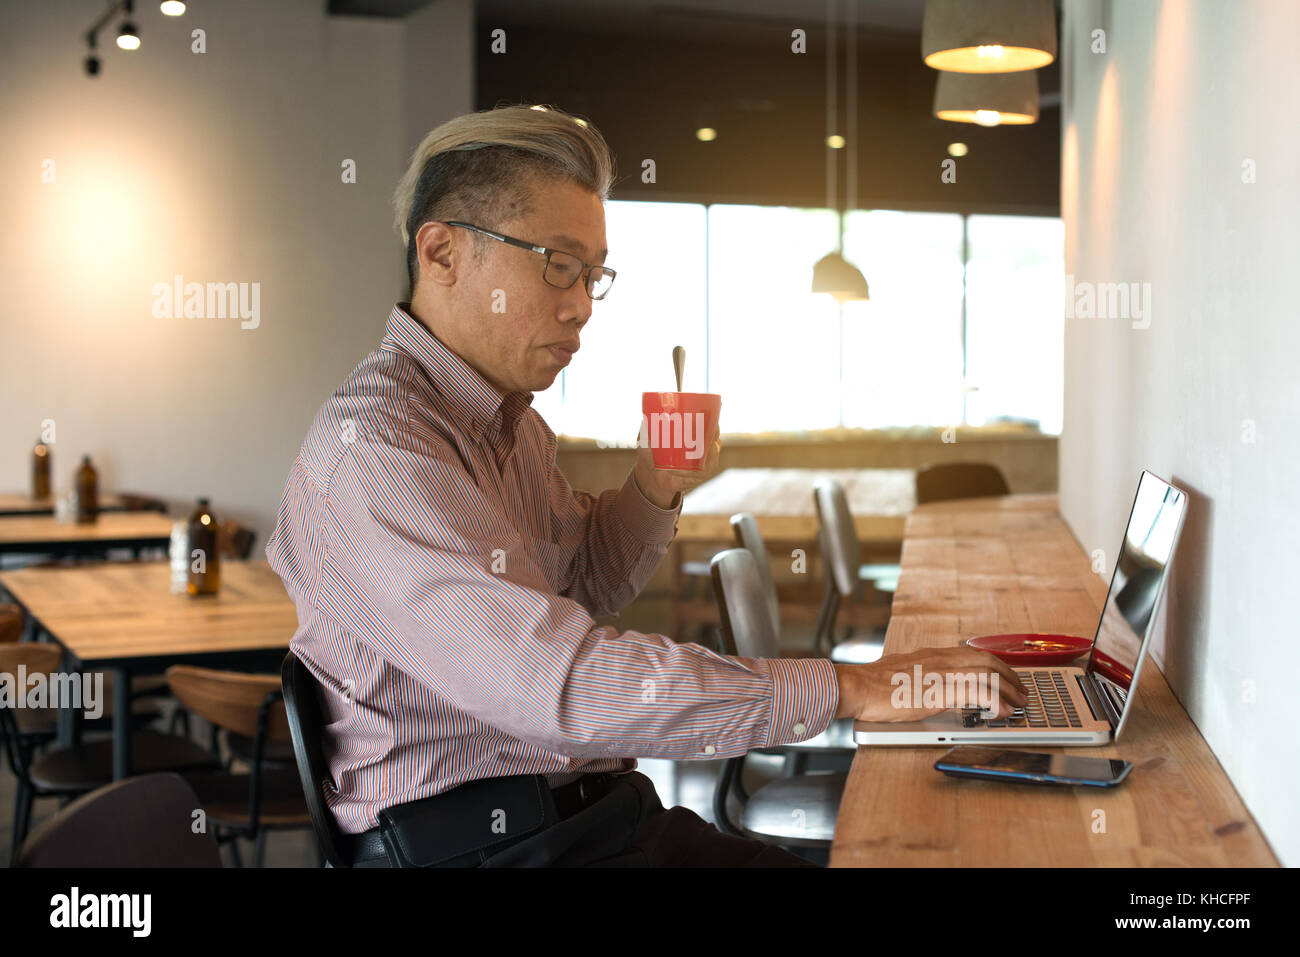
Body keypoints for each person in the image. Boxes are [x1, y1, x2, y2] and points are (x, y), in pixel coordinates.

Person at [265, 103, 1026, 867]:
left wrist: (654, 483)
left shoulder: (512, 425)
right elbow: (560, 686)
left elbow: (586, 582)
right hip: (486, 848)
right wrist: (854, 687)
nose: (581, 306)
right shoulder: (379, 450)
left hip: (592, 818)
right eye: (557, 264)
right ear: (442, 252)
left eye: (593, 274)